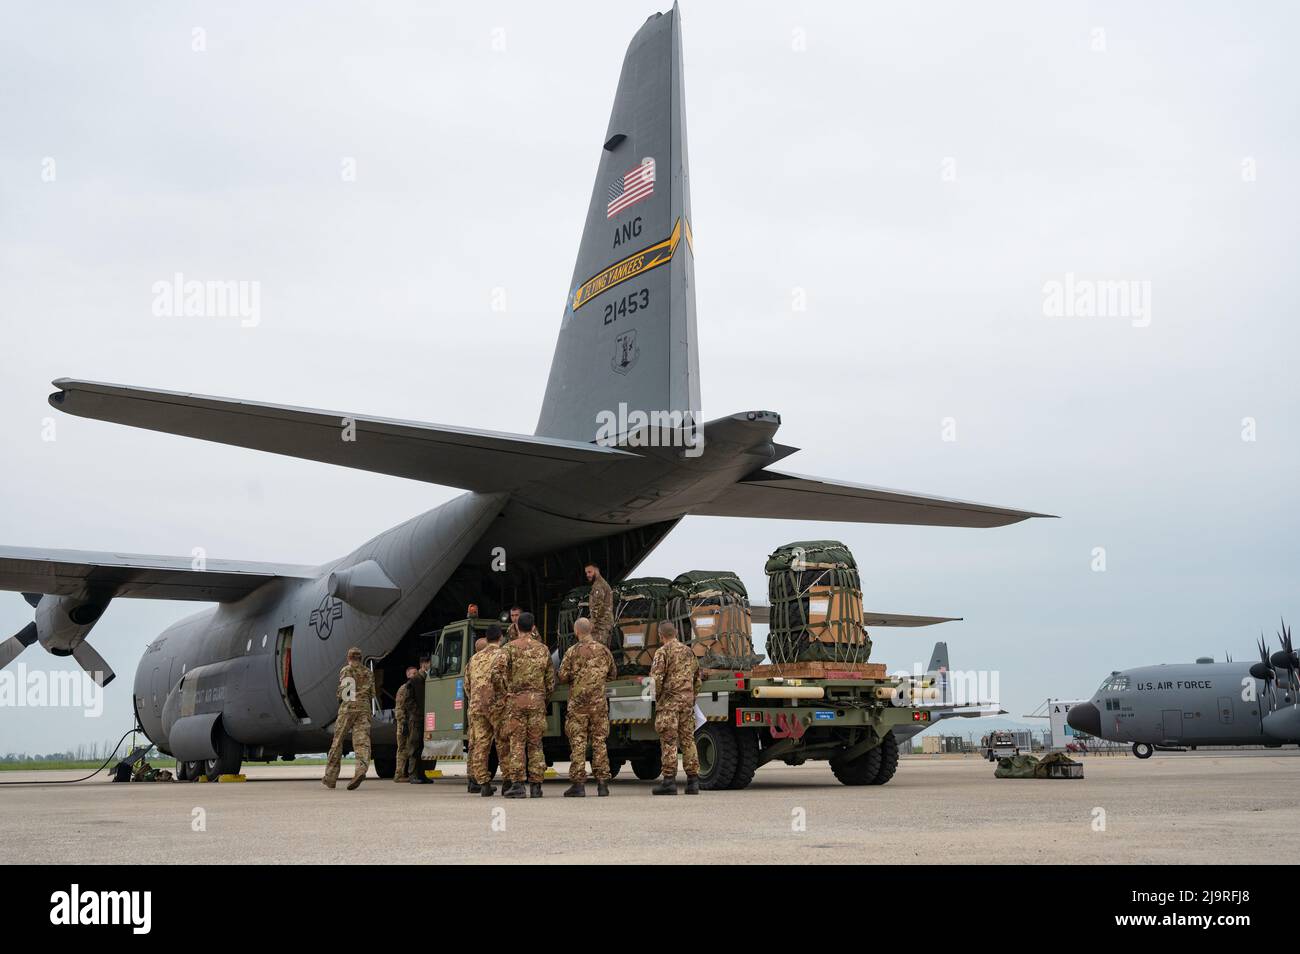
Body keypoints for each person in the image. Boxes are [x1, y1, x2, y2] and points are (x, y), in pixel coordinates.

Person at [492, 612, 555, 798]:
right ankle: (536, 786)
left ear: (517, 627)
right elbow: (550, 681)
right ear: (533, 627)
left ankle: (518, 784)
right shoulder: (543, 649)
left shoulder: (509, 649)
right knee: (536, 743)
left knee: (517, 743)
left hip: (516, 702)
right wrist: (542, 698)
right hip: (537, 702)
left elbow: (495, 674)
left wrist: (506, 693)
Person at [558, 617, 616, 797]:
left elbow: (562, 676)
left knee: (578, 742)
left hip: (578, 706)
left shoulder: (572, 652)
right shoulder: (604, 651)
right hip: (598, 705)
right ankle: (603, 783)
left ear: (576, 631)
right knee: (600, 742)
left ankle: (578, 784)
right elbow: (613, 674)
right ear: (591, 629)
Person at [649, 621, 701, 795]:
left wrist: (655, 698)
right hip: (686, 704)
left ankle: (669, 782)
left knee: (669, 741)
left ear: (660, 635)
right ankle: (693, 781)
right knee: (688, 740)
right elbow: (697, 678)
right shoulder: (689, 651)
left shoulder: (662, 652)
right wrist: (691, 697)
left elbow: (655, 680)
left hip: (669, 704)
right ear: (676, 632)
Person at [323, 646, 374, 790]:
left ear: (349, 658)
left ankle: (330, 777)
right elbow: (372, 693)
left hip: (348, 708)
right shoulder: (368, 672)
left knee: (337, 741)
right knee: (362, 742)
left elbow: (343, 693)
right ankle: (360, 770)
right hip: (364, 708)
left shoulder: (346, 670)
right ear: (360, 658)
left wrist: (341, 698)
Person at [465, 627, 505, 795]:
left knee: (480, 745)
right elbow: (506, 680)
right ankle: (509, 781)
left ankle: (483, 784)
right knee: (504, 743)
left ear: (487, 639)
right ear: (501, 638)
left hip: (477, 706)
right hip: (498, 706)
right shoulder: (503, 655)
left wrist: (476, 700)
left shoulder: (474, 659)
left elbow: (467, 686)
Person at [393, 665, 419, 782]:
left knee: (410, 748)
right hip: (404, 723)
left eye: (416, 673)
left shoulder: (415, 687)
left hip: (411, 722)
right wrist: (402, 722)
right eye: (413, 673)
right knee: (402, 748)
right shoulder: (403, 689)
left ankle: (407, 773)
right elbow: (399, 708)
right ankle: (399, 774)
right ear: (407, 675)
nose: (415, 675)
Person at [585, 564, 613, 646]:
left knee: (597, 649)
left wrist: (592, 623)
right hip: (604, 623)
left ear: (596, 571)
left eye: (590, 572)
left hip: (601, 625)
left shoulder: (598, 585)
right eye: (586, 573)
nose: (587, 575)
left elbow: (598, 606)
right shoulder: (601, 583)